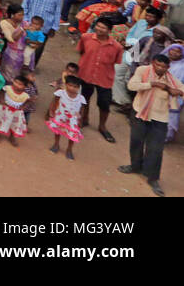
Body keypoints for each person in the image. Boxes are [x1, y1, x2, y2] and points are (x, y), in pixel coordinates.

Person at [119, 53, 183, 196]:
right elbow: (132, 85)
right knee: (136, 141)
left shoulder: (171, 79)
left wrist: (175, 90)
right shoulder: (143, 71)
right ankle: (135, 166)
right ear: (153, 63)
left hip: (160, 118)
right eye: (157, 65)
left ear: (168, 67)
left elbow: (181, 89)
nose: (160, 68)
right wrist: (152, 84)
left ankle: (152, 178)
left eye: (163, 66)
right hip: (140, 112)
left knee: (156, 149)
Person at [76, 20, 121, 143]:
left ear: (109, 31)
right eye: (98, 26)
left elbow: (116, 61)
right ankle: (83, 119)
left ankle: (102, 126)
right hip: (86, 73)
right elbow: (81, 51)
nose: (99, 29)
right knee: (84, 98)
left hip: (104, 78)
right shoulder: (86, 37)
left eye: (103, 27)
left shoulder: (117, 46)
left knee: (104, 103)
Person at [47, 74, 87, 160]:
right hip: (61, 116)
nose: (72, 88)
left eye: (75, 87)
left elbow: (82, 109)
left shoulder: (81, 98)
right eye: (70, 85)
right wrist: (51, 111)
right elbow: (54, 101)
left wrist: (81, 120)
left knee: (72, 134)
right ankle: (56, 144)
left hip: (73, 120)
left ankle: (69, 149)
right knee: (57, 130)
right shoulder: (60, 93)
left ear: (79, 87)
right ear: (66, 85)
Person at [0, 75, 31, 146]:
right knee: (1, 121)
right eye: (16, 82)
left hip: (17, 112)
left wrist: (23, 107)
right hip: (6, 109)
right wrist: (2, 100)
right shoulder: (8, 88)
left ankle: (12, 137)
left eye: (20, 84)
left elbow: (28, 101)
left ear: (25, 87)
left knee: (14, 124)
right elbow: (2, 92)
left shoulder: (25, 95)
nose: (17, 85)